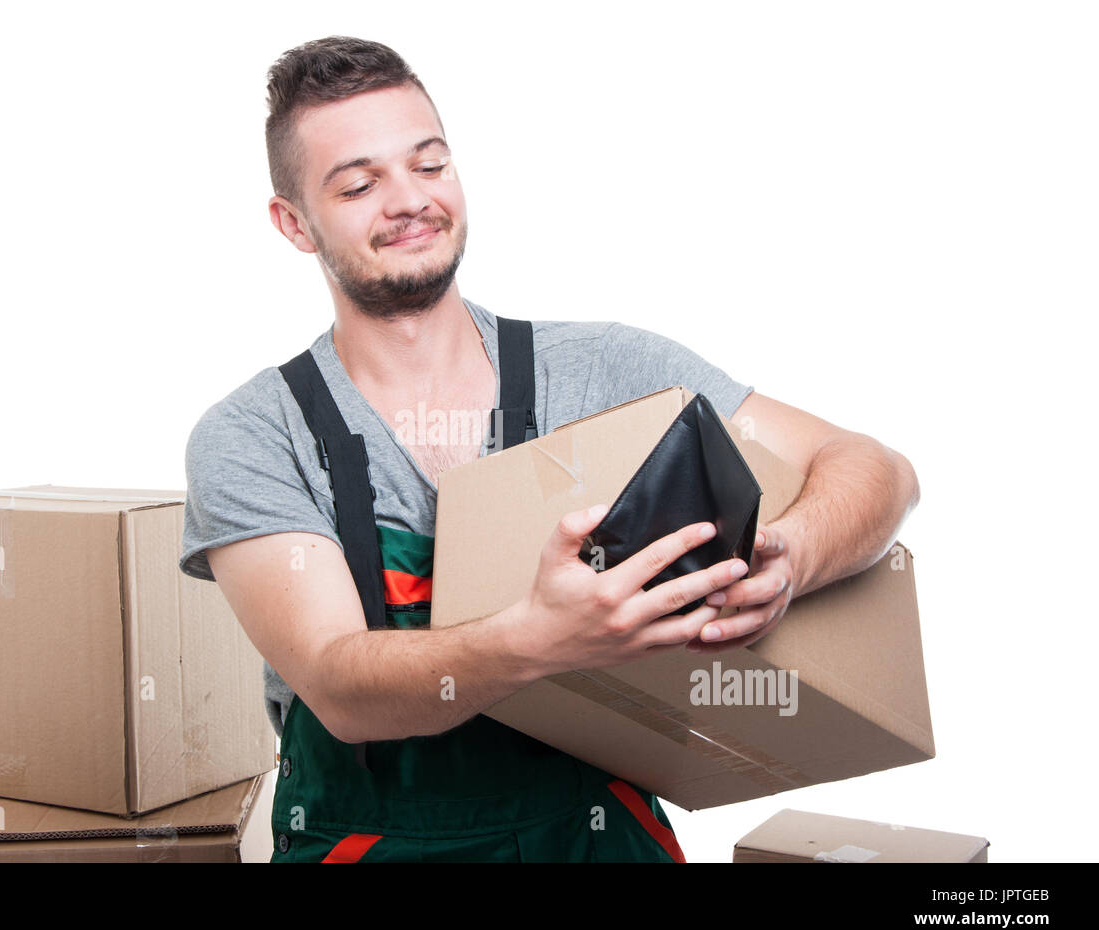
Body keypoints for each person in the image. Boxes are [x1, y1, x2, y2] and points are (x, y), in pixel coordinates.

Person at [179, 36, 920, 863]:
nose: (408, 200)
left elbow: (876, 467)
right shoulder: (255, 434)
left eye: (430, 165)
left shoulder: (609, 369)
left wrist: (796, 556)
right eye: (358, 183)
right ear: (295, 224)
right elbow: (341, 684)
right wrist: (536, 639)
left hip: (596, 838)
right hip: (373, 842)